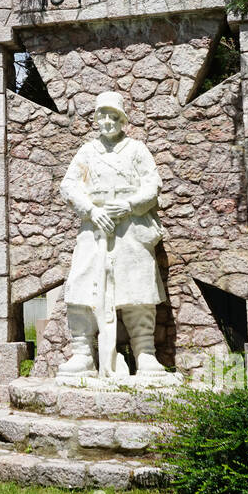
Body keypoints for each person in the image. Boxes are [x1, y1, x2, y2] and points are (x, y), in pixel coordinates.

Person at [57, 91, 170, 378]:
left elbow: (152, 184)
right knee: (81, 285)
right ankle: (82, 352)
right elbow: (69, 186)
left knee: (138, 287)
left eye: (112, 116)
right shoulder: (87, 151)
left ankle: (145, 353)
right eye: (101, 116)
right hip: (95, 227)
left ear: (122, 119)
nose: (107, 122)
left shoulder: (136, 149)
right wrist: (92, 212)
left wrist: (131, 205)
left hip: (131, 226)